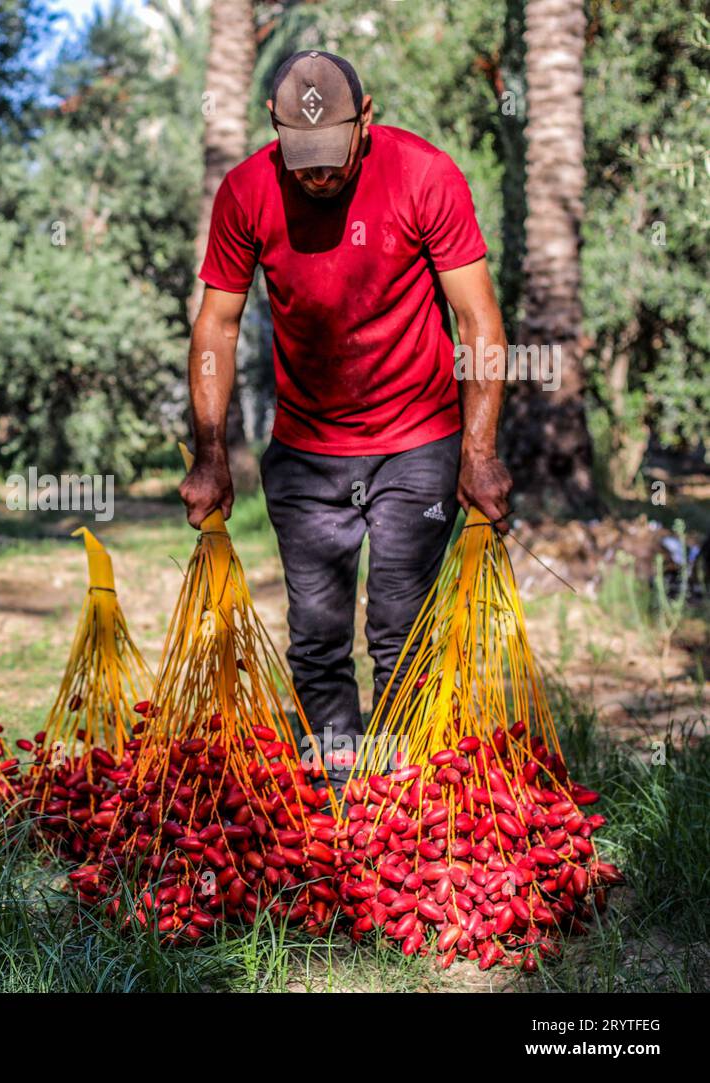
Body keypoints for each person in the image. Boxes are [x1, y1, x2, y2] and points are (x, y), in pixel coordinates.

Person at [179, 50, 513, 786]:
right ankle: (337, 795)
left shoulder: (426, 176)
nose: (318, 175)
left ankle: (405, 797)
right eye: (302, 159)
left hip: (418, 442)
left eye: (332, 155)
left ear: (367, 118)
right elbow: (217, 328)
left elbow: (478, 320)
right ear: (273, 128)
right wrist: (209, 454)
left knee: (399, 630)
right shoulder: (245, 193)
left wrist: (480, 451)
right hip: (305, 451)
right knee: (318, 639)